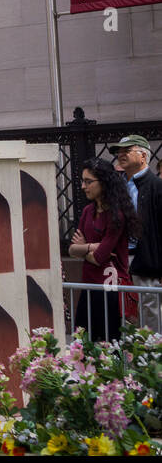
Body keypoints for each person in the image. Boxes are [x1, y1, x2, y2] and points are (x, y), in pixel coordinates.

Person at [68, 158, 139, 342]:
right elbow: (72, 250)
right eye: (82, 181)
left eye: (88, 181)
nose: (83, 186)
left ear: (104, 182)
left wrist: (85, 250)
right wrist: (91, 247)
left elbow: (99, 258)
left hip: (111, 287)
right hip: (89, 286)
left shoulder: (117, 215)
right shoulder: (87, 211)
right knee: (81, 342)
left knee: (111, 345)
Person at [111, 134, 162, 331]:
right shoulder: (117, 186)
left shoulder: (156, 186)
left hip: (148, 261)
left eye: (126, 150)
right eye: (118, 151)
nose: (120, 154)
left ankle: (151, 359)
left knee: (150, 312)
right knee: (124, 314)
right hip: (120, 259)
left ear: (143, 156)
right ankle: (127, 361)